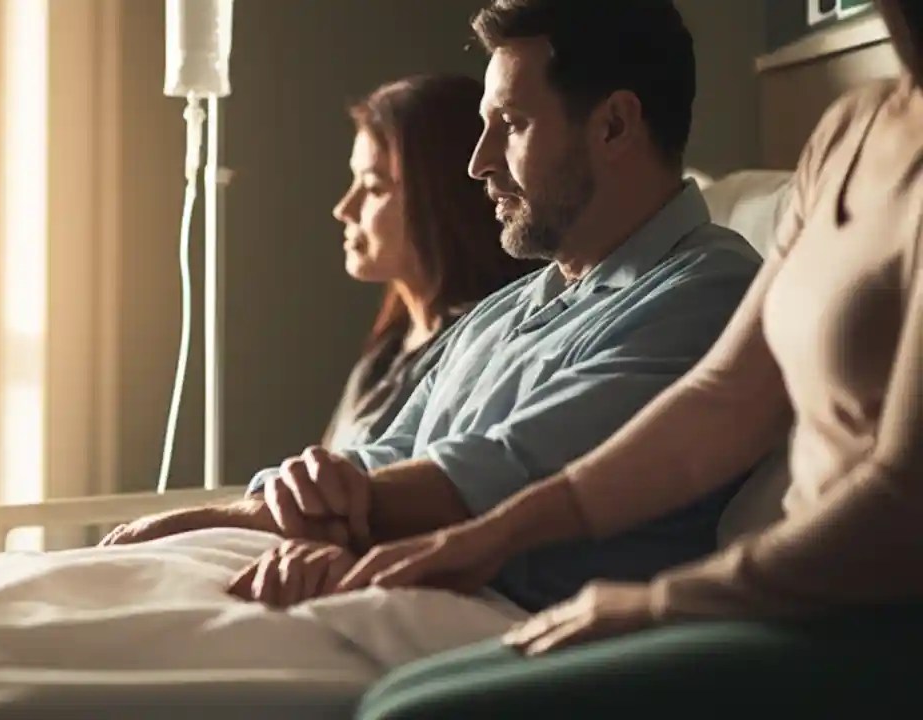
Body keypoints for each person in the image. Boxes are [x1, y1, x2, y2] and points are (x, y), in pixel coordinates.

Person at [341, 0, 923, 716]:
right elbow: (723, 395)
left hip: (875, 625)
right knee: (399, 696)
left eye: (513, 124)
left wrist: (661, 602)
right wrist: (489, 537)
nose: (479, 161)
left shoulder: (695, 284)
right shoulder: (849, 130)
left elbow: (903, 509)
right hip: (783, 604)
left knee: (410, 713)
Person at [105, 0, 760, 616]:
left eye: (512, 125)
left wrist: (228, 516)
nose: (478, 163)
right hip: (398, 576)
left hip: (508, 617)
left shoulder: (705, 294)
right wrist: (292, 490)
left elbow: (481, 486)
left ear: (614, 125)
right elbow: (382, 459)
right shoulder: (507, 310)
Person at [322, 74, 543, 452]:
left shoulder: (482, 352)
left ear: (439, 201)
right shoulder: (386, 354)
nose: (345, 209)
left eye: (374, 188)